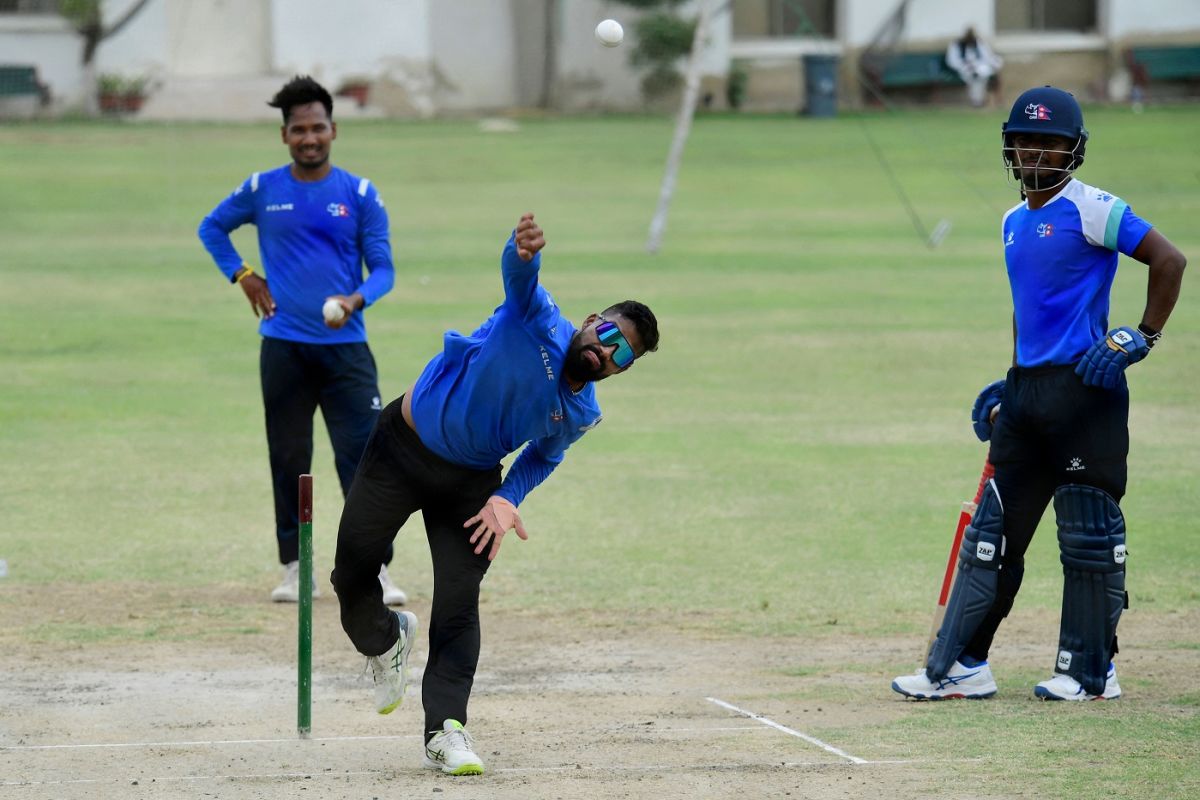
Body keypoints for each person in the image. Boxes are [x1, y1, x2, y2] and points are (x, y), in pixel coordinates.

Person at [330, 212, 659, 775]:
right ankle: (386, 639)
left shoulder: (582, 411)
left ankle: (446, 731)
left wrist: (507, 498)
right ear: (590, 321)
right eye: (609, 335)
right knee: (351, 571)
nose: (607, 353)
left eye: (621, 355)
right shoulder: (538, 319)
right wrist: (522, 251)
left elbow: (543, 456)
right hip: (401, 448)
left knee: (458, 603)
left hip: (471, 484)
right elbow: (519, 276)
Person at [893, 86, 1186, 701]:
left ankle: (1090, 672)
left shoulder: (1093, 208)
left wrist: (1143, 335)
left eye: (1047, 144)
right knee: (992, 535)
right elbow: (1032, 312)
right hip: (1028, 398)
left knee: (1087, 539)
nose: (1033, 153)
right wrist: (1014, 380)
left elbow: (1170, 260)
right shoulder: (1011, 222)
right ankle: (964, 666)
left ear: (1072, 151)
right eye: (1023, 141)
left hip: (1088, 391)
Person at [197, 76, 408, 606]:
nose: (309, 137)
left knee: (362, 460)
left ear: (333, 130)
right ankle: (295, 570)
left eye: (318, 128)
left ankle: (374, 571)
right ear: (284, 135)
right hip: (284, 348)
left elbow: (383, 270)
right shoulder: (262, 189)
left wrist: (355, 301)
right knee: (289, 458)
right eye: (298, 130)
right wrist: (244, 274)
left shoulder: (360, 194)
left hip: (346, 351)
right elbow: (212, 228)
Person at [945, 27, 1003, 108]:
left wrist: (992, 64)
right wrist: (965, 65)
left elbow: (987, 57)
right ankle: (976, 101)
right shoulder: (957, 45)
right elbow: (952, 61)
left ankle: (980, 100)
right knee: (974, 76)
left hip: (980, 68)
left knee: (983, 74)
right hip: (963, 69)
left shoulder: (979, 44)